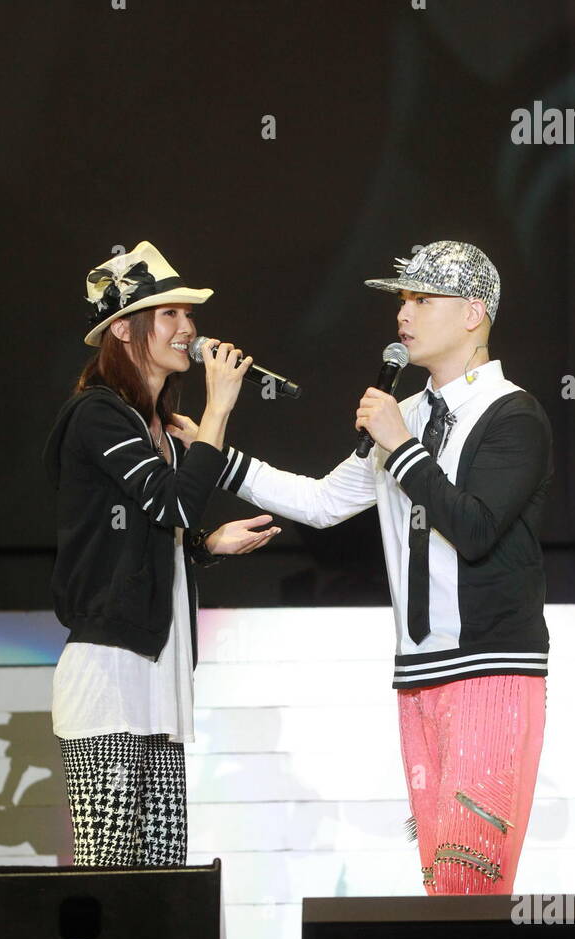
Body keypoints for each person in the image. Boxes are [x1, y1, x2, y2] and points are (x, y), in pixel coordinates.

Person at [184, 240, 553, 898]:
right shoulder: (404, 415)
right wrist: (216, 457)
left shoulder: (512, 414)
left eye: (420, 300)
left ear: (472, 314)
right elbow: (323, 504)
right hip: (415, 675)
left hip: (489, 669)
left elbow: (474, 529)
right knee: (440, 880)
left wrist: (400, 446)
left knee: (472, 882)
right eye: (401, 301)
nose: (402, 316)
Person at [42, 241, 279, 867]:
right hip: (110, 671)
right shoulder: (97, 415)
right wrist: (218, 410)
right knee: (115, 874)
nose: (188, 329)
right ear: (124, 328)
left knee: (165, 877)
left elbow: (154, 529)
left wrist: (205, 545)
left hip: (160, 665)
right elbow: (170, 505)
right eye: (169, 315)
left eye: (188, 315)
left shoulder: (156, 426)